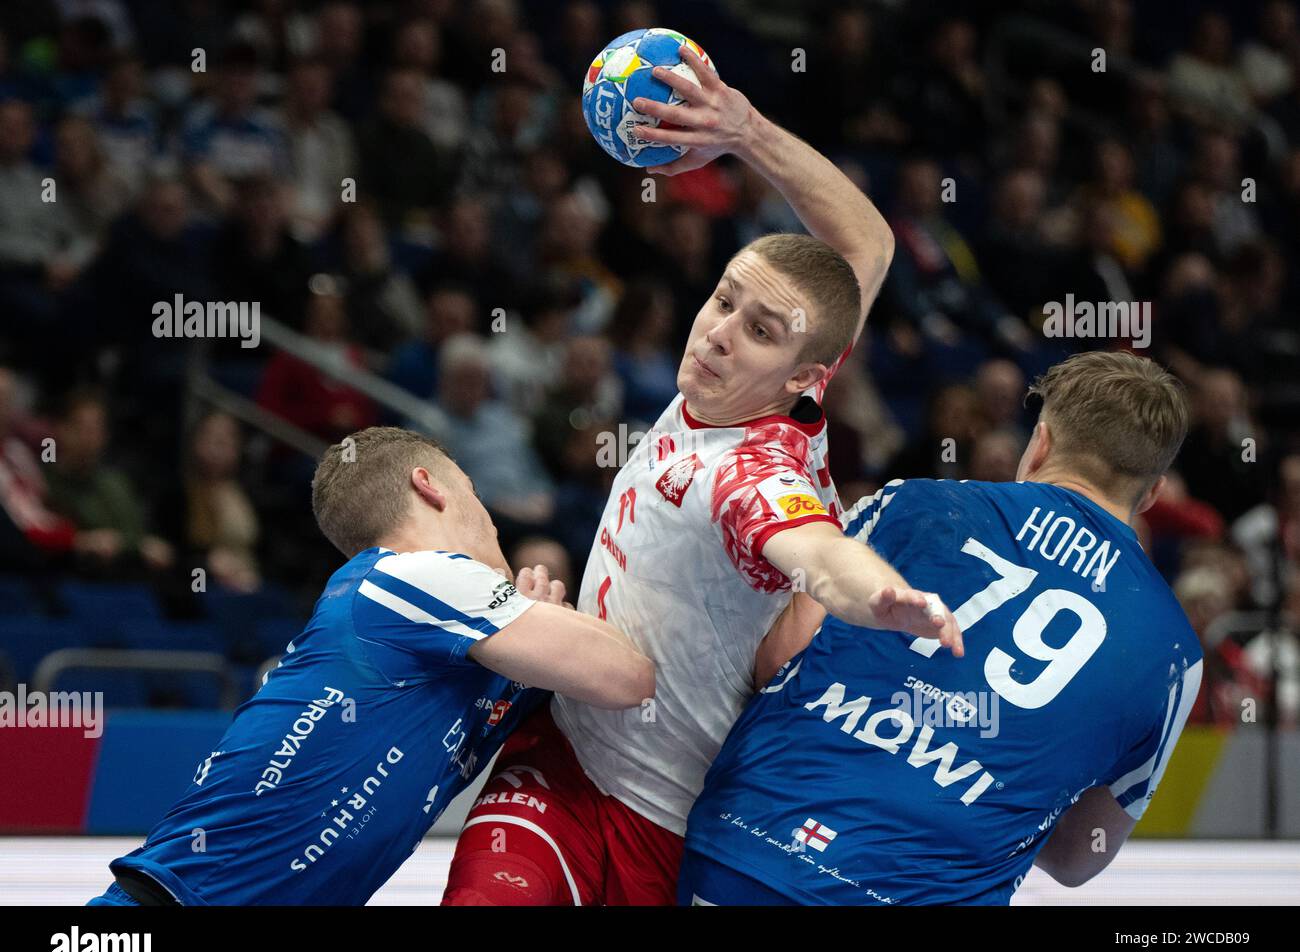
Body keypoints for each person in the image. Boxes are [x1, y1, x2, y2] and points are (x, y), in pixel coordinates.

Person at [441, 45, 961, 907]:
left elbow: (817, 553)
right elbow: (866, 241)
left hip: (670, 826)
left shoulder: (754, 474)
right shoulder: (784, 371)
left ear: (805, 372)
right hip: (559, 767)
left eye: (759, 330)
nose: (719, 334)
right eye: (723, 301)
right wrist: (744, 130)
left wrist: (881, 599)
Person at [679, 351, 1203, 905]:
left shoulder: (916, 502)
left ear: (1041, 443)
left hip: (750, 851)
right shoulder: (1175, 654)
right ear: (1151, 493)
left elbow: (776, 659)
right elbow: (1078, 860)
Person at [87, 427, 651, 905]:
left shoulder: (429, 623)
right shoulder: (411, 577)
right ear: (428, 487)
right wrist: (546, 623)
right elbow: (629, 676)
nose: (493, 521)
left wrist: (539, 634)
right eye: (474, 493)